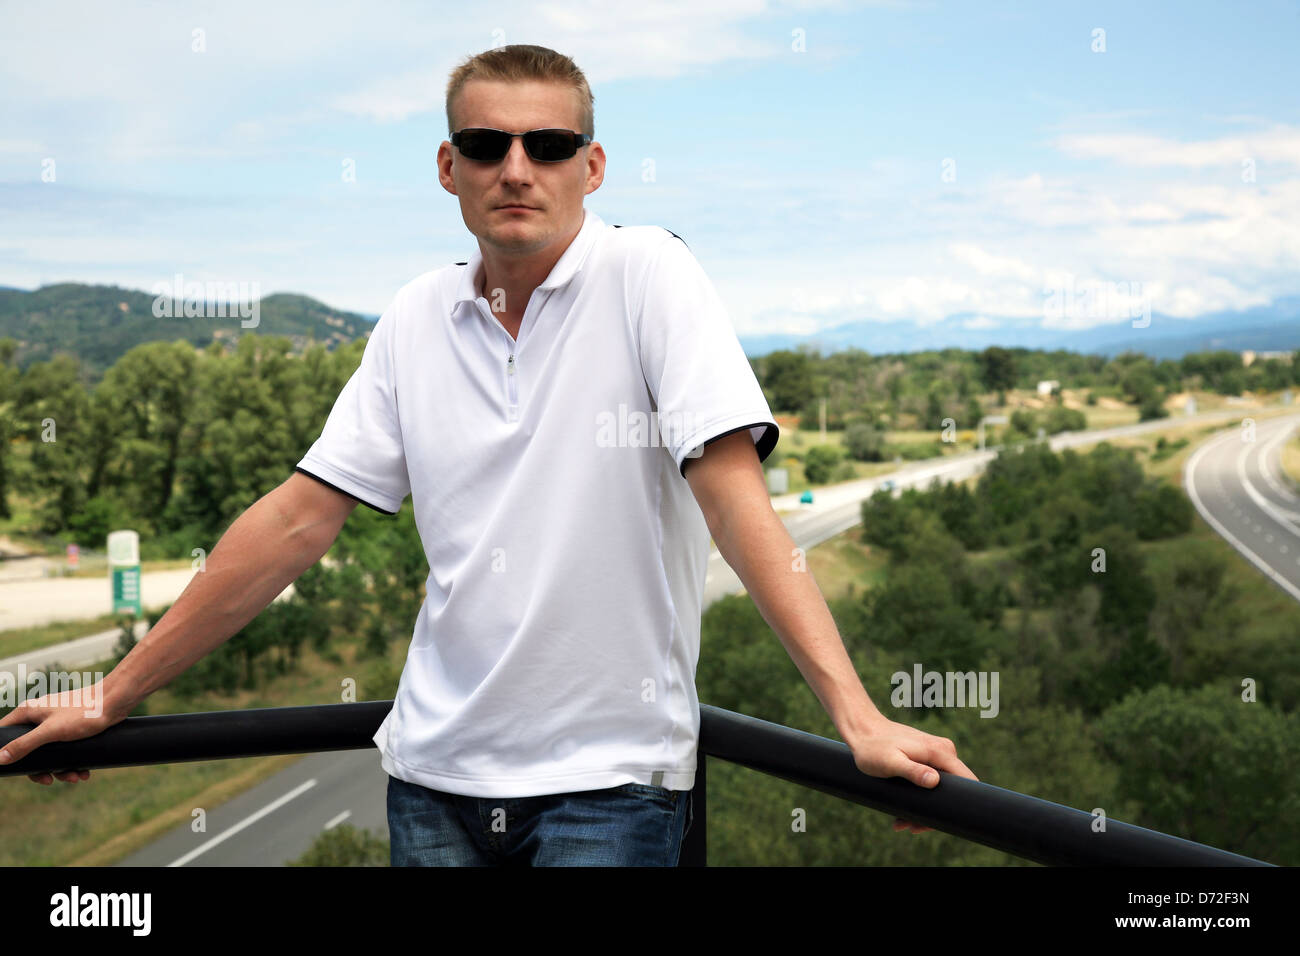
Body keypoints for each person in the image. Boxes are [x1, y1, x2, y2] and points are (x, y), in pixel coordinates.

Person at [0, 44, 976, 865]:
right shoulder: (417, 315)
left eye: (547, 145)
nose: (517, 168)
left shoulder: (650, 277)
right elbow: (297, 519)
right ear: (448, 165)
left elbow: (732, 500)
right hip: (431, 782)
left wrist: (856, 715)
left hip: (608, 788)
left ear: (591, 168)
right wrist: (116, 690)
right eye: (487, 144)